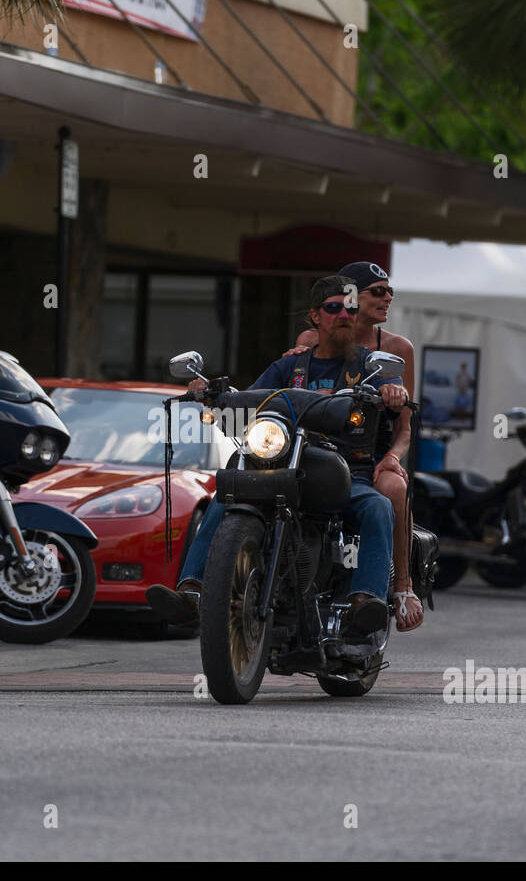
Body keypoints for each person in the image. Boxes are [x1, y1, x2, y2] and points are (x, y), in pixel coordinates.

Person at [147, 275, 404, 639]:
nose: (343, 315)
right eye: (333, 308)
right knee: (226, 496)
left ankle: (365, 602)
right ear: (315, 316)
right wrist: (210, 396)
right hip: (282, 465)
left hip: (346, 472)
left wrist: (392, 392)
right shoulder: (289, 367)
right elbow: (249, 402)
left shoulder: (368, 366)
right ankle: (192, 592)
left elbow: (392, 401)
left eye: (349, 308)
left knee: (377, 508)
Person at [284, 261, 423, 631]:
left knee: (392, 489)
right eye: (377, 291)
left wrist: (392, 457)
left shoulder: (396, 349)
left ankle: (401, 587)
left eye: (389, 290)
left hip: (371, 453)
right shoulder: (310, 343)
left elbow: (405, 426)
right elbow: (291, 392)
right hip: (314, 450)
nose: (387, 297)